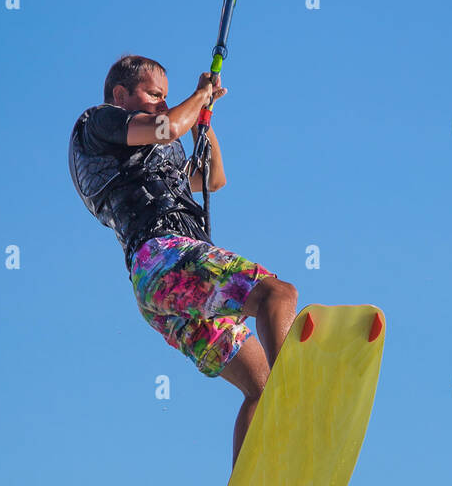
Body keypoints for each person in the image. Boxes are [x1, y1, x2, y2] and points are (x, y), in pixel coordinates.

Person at [69, 54, 298, 462]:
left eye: (165, 97)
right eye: (153, 94)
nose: (161, 103)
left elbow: (212, 179)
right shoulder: (99, 123)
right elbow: (168, 125)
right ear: (121, 95)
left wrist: (203, 120)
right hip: (163, 257)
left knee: (259, 384)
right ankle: (298, 404)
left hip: (164, 293)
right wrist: (197, 97)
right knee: (277, 295)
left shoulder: (156, 152)